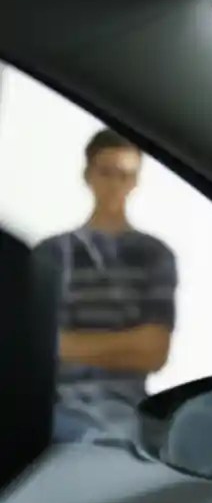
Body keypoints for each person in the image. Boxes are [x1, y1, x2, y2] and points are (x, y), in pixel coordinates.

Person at [34, 129, 178, 444]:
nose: (115, 184)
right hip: (53, 409)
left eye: (125, 175)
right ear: (88, 175)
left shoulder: (154, 255)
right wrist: (124, 345)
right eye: (106, 173)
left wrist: (67, 346)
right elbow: (35, 346)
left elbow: (153, 352)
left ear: (135, 181)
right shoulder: (51, 253)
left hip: (125, 411)